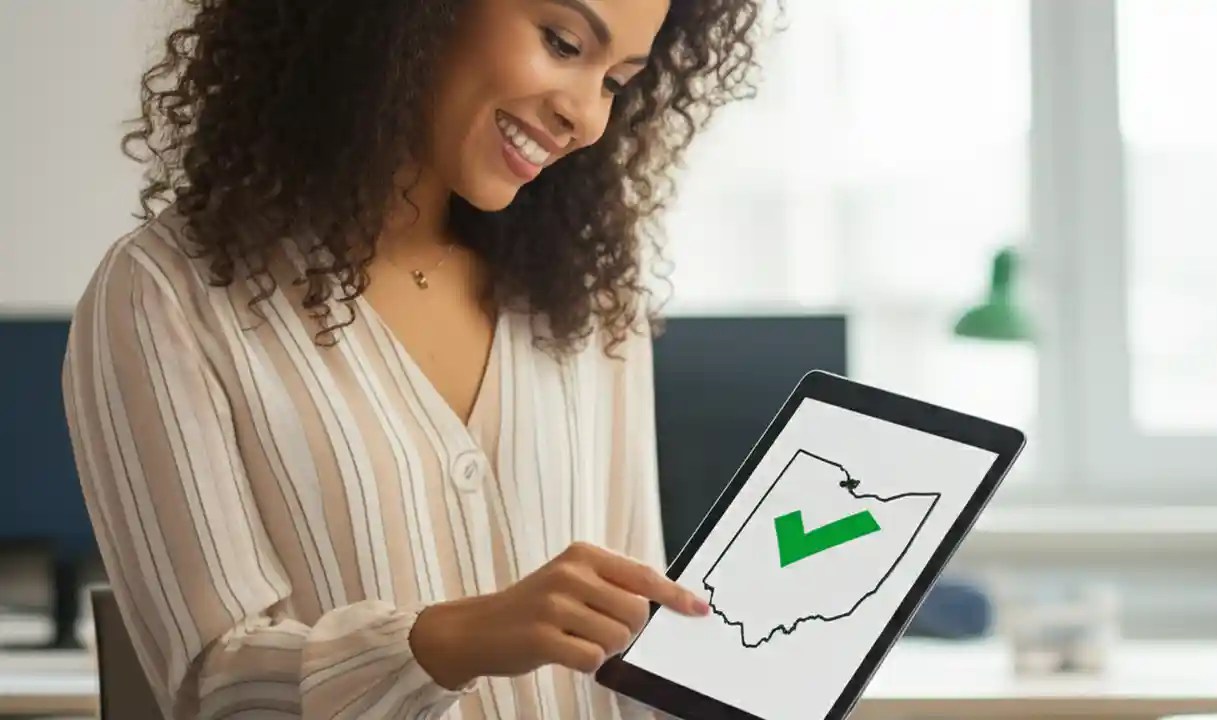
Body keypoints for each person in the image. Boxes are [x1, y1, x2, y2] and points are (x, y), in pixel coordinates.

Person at [61, 0, 765, 717]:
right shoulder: (165, 296)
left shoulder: (589, 299)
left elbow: (631, 655)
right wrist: (451, 642)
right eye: (562, 42)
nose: (585, 117)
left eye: (615, 82)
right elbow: (212, 686)